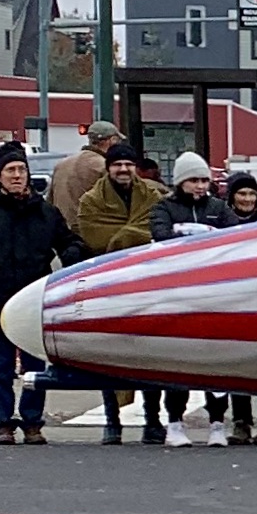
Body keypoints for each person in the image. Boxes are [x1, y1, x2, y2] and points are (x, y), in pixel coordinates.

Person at [0, 141, 89, 444]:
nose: (16, 175)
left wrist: (70, 259)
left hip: (36, 302)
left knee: (36, 368)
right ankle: (4, 423)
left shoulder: (46, 213)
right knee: (2, 368)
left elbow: (70, 242)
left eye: (21, 169)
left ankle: (33, 422)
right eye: (10, 170)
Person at [73, 141, 168, 444]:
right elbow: (92, 237)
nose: (123, 169)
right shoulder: (91, 201)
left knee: (149, 357)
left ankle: (152, 420)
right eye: (117, 164)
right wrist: (133, 237)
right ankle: (112, 420)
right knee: (109, 354)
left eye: (128, 164)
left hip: (146, 286)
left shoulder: (153, 197)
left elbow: (159, 232)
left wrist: (126, 237)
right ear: (109, 168)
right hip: (108, 287)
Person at [149, 153, 238, 448]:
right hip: (178, 296)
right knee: (178, 364)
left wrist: (187, 232)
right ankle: (174, 424)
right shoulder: (165, 207)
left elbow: (236, 238)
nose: (200, 186)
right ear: (180, 182)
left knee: (218, 365)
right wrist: (204, 233)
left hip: (215, 297)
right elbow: (161, 236)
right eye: (193, 180)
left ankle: (217, 425)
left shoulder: (219, 208)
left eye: (203, 180)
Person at [213, 172, 257, 445]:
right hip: (234, 299)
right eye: (241, 194)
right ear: (232, 196)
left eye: (251, 194)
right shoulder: (222, 221)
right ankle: (241, 421)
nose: (247, 199)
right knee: (238, 362)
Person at [48, 120, 121, 225]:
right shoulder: (104, 166)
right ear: (111, 140)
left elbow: (50, 201)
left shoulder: (62, 164)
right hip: (90, 231)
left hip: (61, 231)